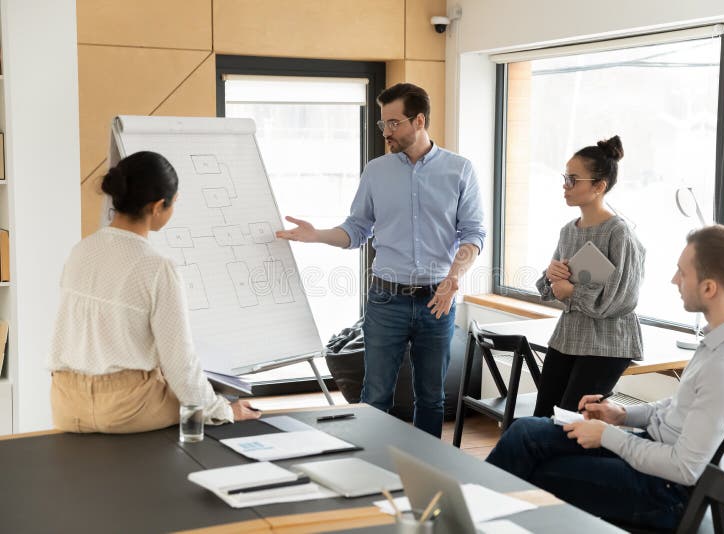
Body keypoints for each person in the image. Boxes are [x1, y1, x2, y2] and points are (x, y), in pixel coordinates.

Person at [487, 225, 724, 530]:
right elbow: (680, 406)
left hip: (669, 491)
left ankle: (469, 517)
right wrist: (621, 415)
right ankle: (466, 513)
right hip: (655, 452)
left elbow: (684, 468)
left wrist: (607, 435)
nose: (674, 280)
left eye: (682, 273)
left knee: (538, 470)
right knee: (525, 432)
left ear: (709, 288)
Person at [276, 83, 486, 437]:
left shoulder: (459, 170)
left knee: (432, 398)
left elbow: (474, 233)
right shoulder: (376, 171)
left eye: (394, 123)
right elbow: (357, 229)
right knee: (375, 396)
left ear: (419, 121)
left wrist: (453, 279)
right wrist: (317, 235)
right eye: (383, 124)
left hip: (439, 298)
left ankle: (428, 468)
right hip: (385, 299)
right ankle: (376, 468)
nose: (386, 132)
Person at [49, 151, 261, 433]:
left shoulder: (81, 251)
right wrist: (223, 408)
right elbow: (180, 363)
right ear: (159, 206)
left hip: (67, 405)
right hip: (126, 410)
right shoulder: (157, 267)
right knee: (207, 406)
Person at [533, 135, 645, 417]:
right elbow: (550, 290)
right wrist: (551, 276)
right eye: (565, 177)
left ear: (599, 186)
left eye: (573, 179)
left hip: (608, 343)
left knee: (569, 421)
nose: (565, 185)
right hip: (568, 337)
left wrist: (570, 291)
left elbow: (621, 299)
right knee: (544, 417)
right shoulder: (568, 231)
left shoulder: (619, 233)